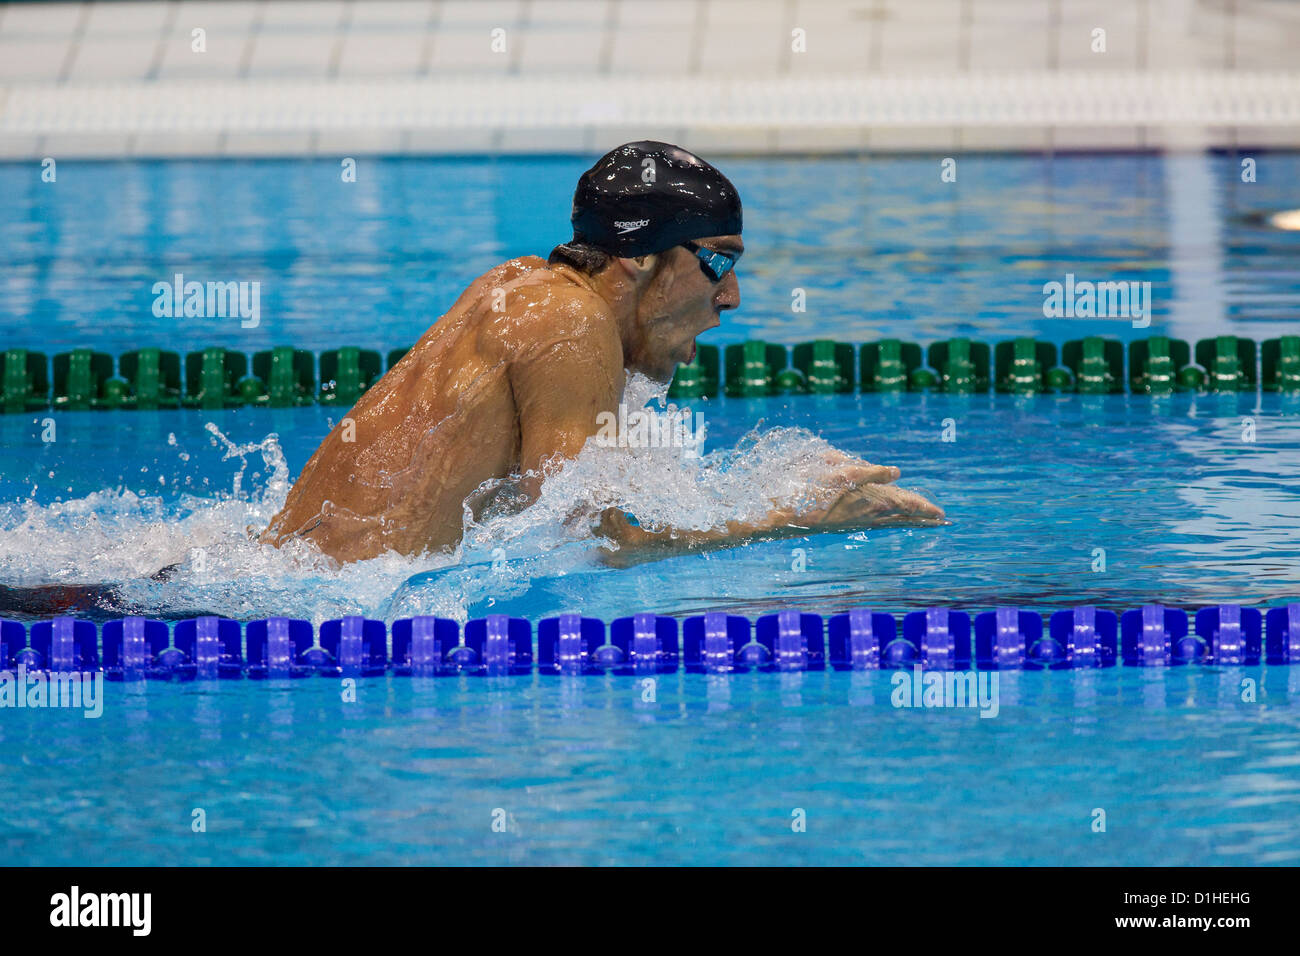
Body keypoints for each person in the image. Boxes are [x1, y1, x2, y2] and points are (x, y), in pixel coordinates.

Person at [265, 141, 944, 564]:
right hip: (317, 622)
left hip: (271, 579)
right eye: (715, 261)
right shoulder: (571, 323)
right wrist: (792, 520)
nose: (730, 295)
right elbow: (585, 543)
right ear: (642, 257)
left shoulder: (519, 285)